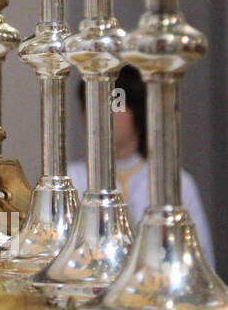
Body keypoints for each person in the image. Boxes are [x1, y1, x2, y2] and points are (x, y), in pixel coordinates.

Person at [68, 65, 215, 266]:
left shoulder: (176, 183)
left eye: (113, 104)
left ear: (137, 110)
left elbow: (201, 262)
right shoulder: (72, 180)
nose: (99, 115)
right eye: (90, 105)